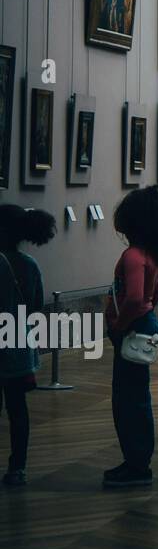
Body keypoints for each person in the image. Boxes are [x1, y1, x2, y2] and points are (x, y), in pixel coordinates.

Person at [104, 186, 158, 488]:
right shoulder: (151, 254)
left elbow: (133, 298)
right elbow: (152, 296)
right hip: (144, 324)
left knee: (126, 398)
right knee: (137, 396)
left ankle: (136, 465)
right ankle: (138, 460)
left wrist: (119, 324)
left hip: (131, 327)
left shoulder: (133, 256)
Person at [0, 206, 55, 486]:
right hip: (17, 344)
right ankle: (17, 467)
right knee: (17, 408)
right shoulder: (29, 264)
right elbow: (35, 307)